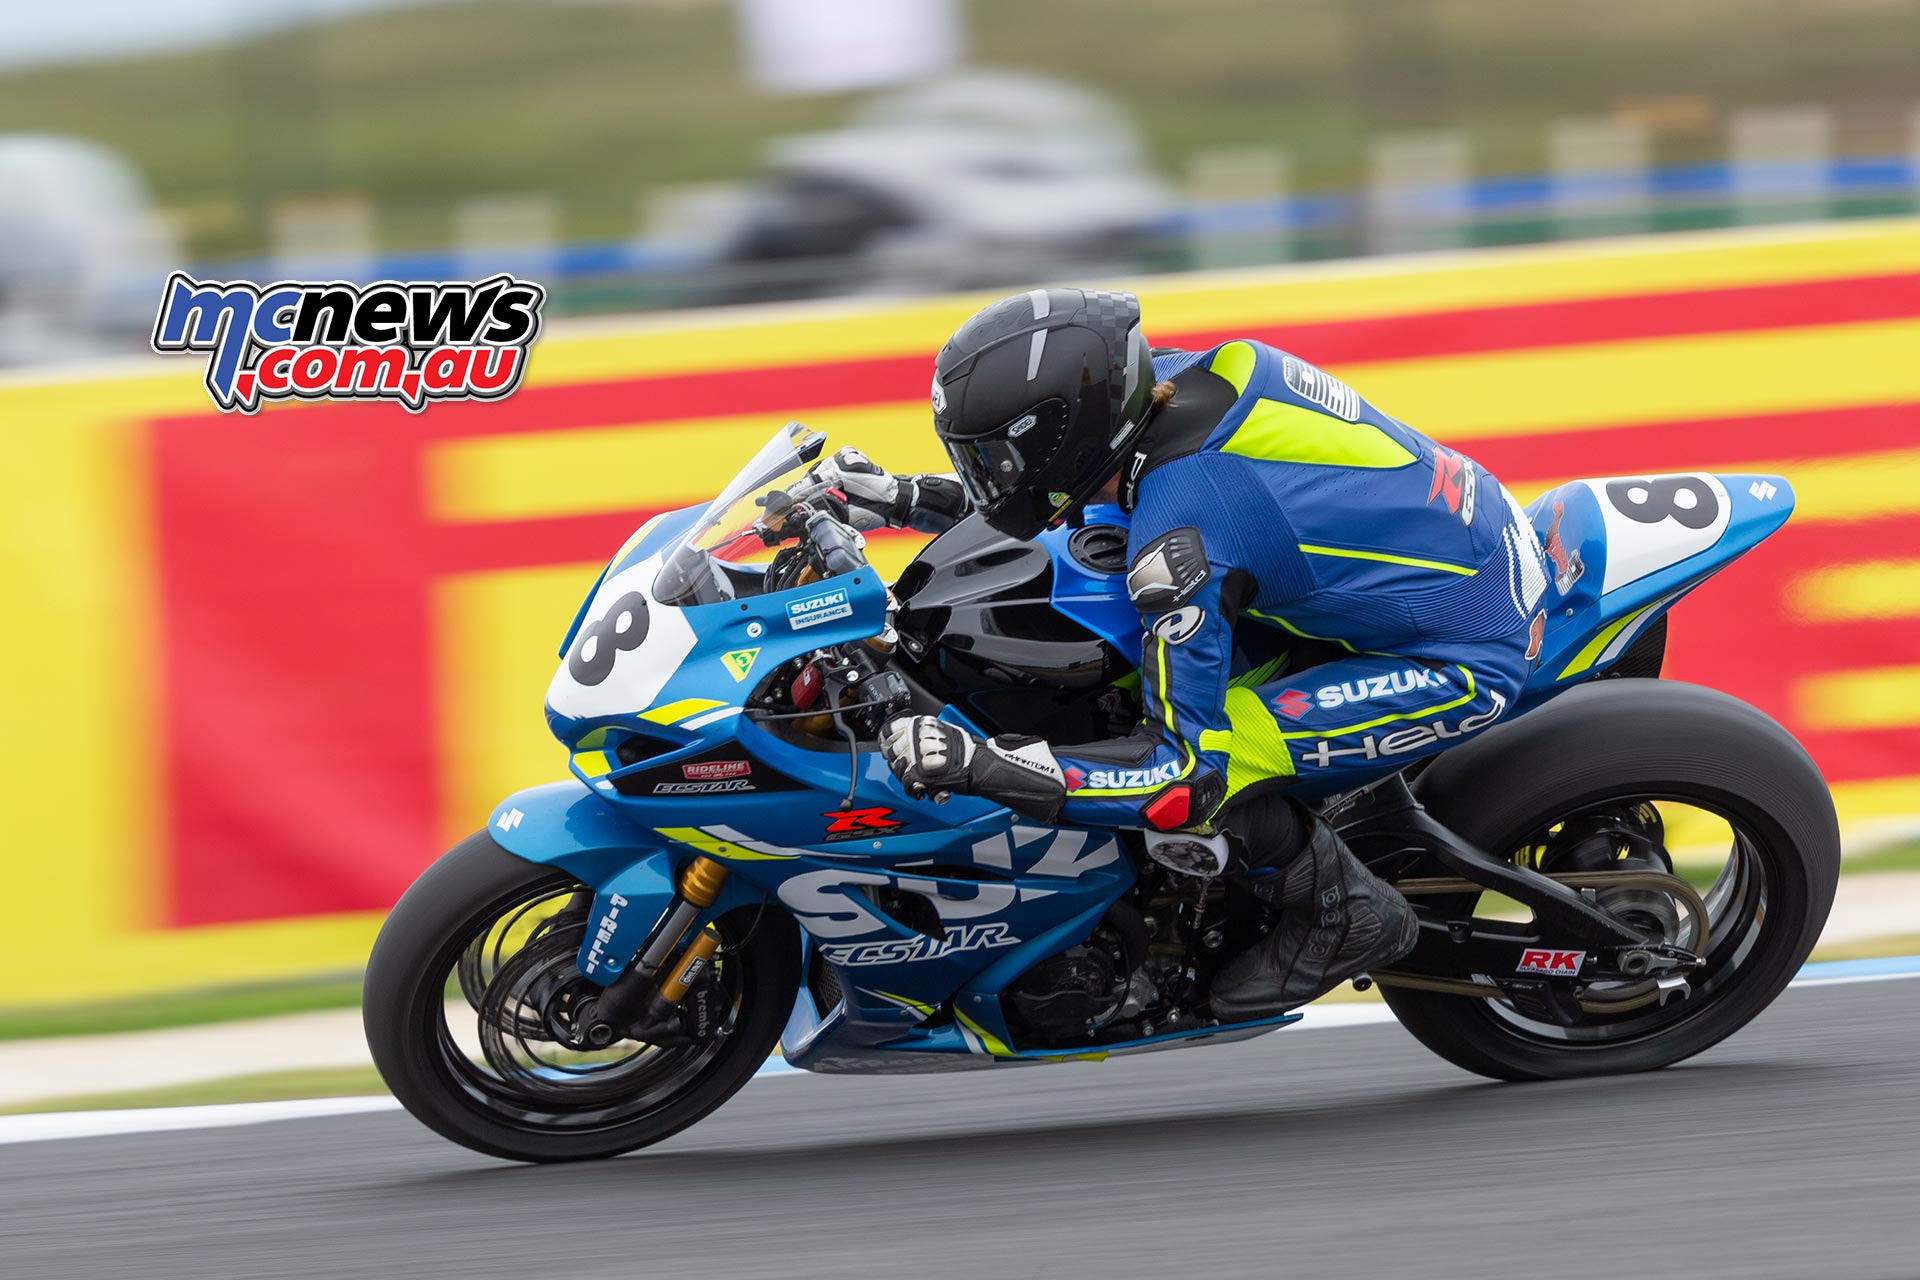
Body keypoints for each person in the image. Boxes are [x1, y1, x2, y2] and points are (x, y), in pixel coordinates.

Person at [816, 287, 1547, 1019]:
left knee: (1211, 775)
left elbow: (1183, 779)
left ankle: (1347, 916)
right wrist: (906, 497)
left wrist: (982, 763)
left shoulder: (1182, 540)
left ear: (1063, 436)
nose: (988, 477)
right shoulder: (1170, 386)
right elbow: (1076, 496)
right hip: (1445, 555)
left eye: (992, 461)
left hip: (1457, 654)